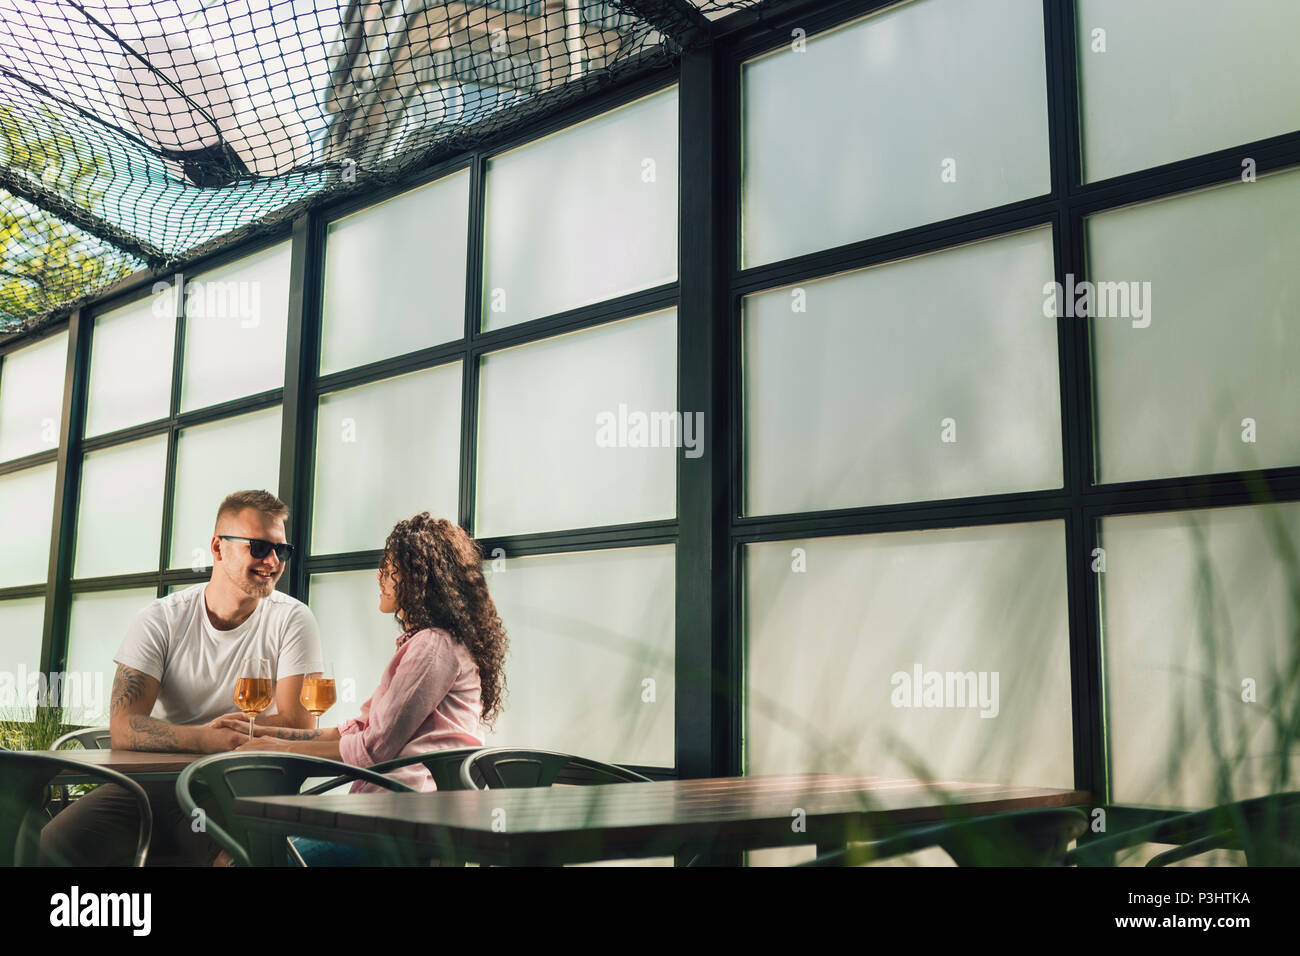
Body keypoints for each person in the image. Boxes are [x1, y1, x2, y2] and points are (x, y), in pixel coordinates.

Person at [40, 489, 323, 866]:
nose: (272, 561)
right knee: (53, 843)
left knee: (232, 857)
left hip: (241, 781)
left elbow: (300, 722)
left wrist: (220, 744)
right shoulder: (160, 619)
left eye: (281, 550)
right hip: (154, 786)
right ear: (218, 548)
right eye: (258, 547)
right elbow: (124, 726)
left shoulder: (293, 619)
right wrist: (204, 739)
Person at [223, 513, 508, 865]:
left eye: (389, 569)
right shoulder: (432, 645)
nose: (380, 577)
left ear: (419, 578)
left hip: (402, 825)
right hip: (395, 817)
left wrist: (279, 747)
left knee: (245, 856)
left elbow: (375, 747)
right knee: (245, 850)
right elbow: (361, 730)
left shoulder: (433, 647)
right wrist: (268, 733)